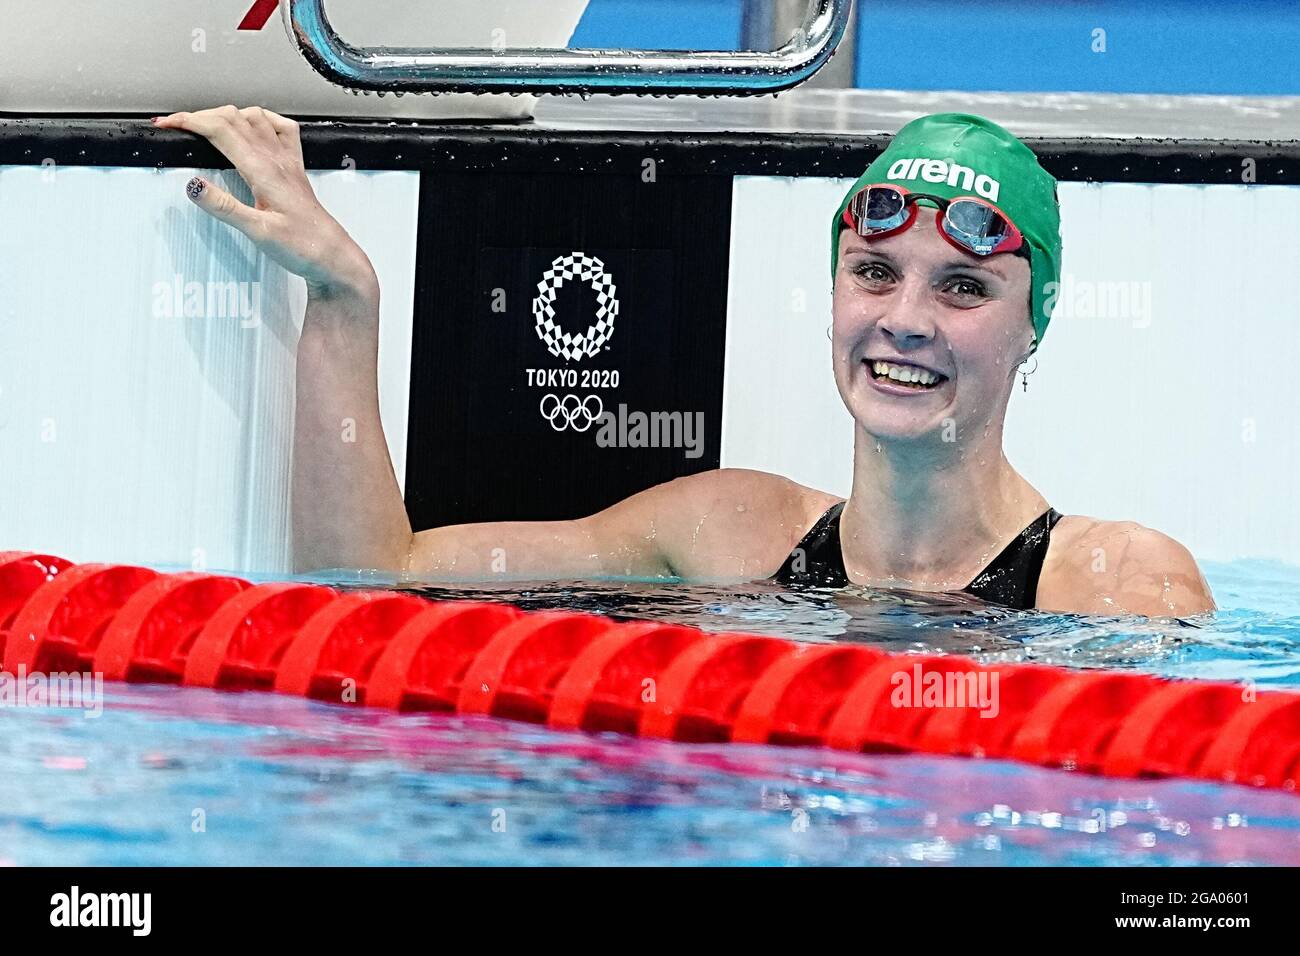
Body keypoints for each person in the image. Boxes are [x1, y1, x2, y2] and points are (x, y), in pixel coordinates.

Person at [151, 106, 1215, 617]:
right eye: (875, 272)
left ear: (1037, 324)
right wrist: (344, 301)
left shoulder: (1119, 584)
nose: (907, 320)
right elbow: (373, 576)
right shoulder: (728, 530)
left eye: (964, 287)